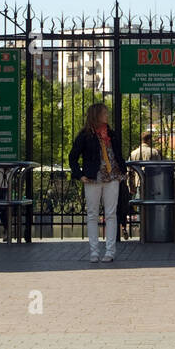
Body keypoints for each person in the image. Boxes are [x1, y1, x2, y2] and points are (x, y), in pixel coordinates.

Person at [68, 103, 125, 263]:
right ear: (96, 115)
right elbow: (73, 157)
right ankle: (94, 252)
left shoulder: (111, 134)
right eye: (104, 113)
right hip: (93, 178)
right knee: (92, 214)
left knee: (111, 214)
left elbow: (118, 154)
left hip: (112, 177)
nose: (107, 116)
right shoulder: (85, 135)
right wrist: (79, 175)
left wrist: (123, 171)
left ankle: (110, 251)